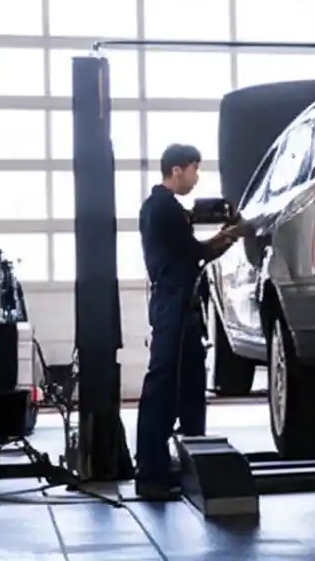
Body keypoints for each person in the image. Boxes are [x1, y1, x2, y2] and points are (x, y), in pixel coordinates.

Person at [135, 143, 245, 500]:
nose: (197, 178)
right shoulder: (164, 207)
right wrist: (230, 235)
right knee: (165, 386)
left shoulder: (159, 207)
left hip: (176, 304)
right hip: (174, 305)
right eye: (195, 169)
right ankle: (151, 473)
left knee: (190, 385)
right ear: (177, 170)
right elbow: (196, 252)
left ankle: (182, 464)